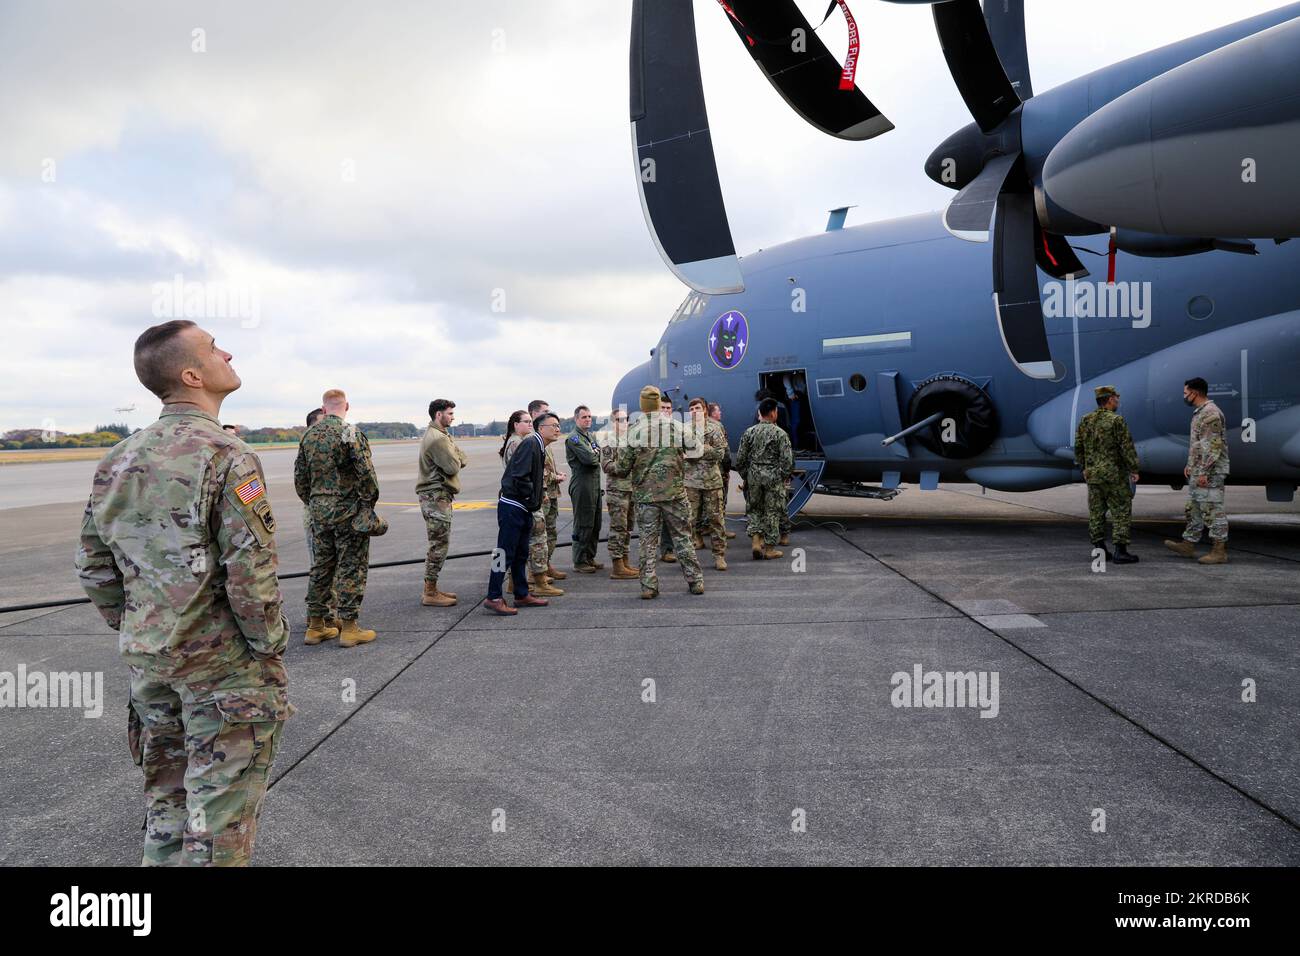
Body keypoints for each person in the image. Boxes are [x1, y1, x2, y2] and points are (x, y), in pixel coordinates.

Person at [75, 319, 290, 866]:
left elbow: (95, 567)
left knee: (168, 806)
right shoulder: (226, 454)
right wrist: (267, 649)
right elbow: (250, 573)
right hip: (223, 672)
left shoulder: (117, 460)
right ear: (193, 374)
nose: (228, 353)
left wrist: (144, 626)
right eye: (216, 348)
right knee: (219, 822)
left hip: (152, 667)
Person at [294, 388, 380, 647]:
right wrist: (367, 506)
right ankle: (350, 627)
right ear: (347, 406)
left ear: (323, 408)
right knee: (351, 566)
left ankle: (316, 625)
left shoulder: (309, 435)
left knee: (321, 567)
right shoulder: (350, 432)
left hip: (319, 511)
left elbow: (300, 478)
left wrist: (315, 501)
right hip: (347, 510)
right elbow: (366, 474)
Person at [610, 386, 704, 599]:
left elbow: (623, 468)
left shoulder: (634, 430)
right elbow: (697, 451)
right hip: (675, 494)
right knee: (683, 538)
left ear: (642, 405)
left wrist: (610, 466)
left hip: (646, 497)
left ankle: (648, 586)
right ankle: (695, 581)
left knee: (647, 542)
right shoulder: (676, 425)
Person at [485, 412, 560, 614]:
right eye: (553, 425)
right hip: (513, 506)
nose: (557, 429)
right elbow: (519, 476)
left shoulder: (538, 445)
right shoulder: (530, 444)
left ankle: (521, 593)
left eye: (558, 425)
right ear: (541, 428)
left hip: (523, 507)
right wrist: (530, 497)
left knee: (520, 554)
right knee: (503, 552)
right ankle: (493, 596)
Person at [1165, 377, 1231, 564]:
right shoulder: (1200, 412)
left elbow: (1212, 446)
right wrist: (1191, 465)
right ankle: (1188, 545)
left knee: (1212, 509)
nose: (1184, 396)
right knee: (1194, 508)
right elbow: (1198, 444)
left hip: (1209, 471)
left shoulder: (1210, 413)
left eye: (1186, 393)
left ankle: (1219, 551)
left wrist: (1204, 472)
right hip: (1198, 469)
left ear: (1195, 392)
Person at [1074, 385, 1140, 563]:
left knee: (1096, 512)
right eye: (1116, 397)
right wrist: (1134, 468)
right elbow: (1126, 447)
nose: (1118, 400)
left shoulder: (1086, 420)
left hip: (1093, 475)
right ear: (1110, 399)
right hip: (1114, 475)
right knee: (1121, 511)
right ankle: (1120, 551)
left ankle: (1099, 549)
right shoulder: (1116, 420)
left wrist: (1084, 468)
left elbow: (1078, 447)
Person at [417, 398, 468, 607]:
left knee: (439, 543)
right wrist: (456, 456)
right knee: (439, 544)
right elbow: (454, 466)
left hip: (438, 495)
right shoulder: (438, 439)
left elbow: (461, 459)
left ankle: (432, 588)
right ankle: (429, 592)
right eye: (450, 413)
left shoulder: (441, 435)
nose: (453, 417)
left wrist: (456, 455)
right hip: (435, 496)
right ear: (438, 414)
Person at [737, 397, 794, 560]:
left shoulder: (749, 432)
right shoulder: (780, 434)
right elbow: (787, 460)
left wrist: (746, 475)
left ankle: (755, 542)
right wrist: (783, 476)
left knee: (754, 509)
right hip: (773, 477)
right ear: (774, 413)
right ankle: (769, 549)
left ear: (759, 413)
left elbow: (740, 458)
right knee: (772, 511)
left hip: (754, 475)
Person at [526, 399, 567, 590]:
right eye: (545, 412)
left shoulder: (542, 442)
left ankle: (544, 567)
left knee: (548, 535)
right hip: (537, 496)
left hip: (548, 492)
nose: (556, 428)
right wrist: (551, 478)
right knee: (536, 537)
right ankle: (535, 575)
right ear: (535, 416)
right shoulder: (530, 442)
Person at [685, 397, 728, 570]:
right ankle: (689, 558)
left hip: (711, 480)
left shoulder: (715, 428)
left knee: (716, 520)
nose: (695, 411)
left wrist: (698, 449)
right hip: (691, 482)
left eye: (698, 408)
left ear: (704, 410)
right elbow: (681, 453)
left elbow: (720, 453)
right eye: (692, 409)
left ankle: (719, 556)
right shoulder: (685, 430)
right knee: (689, 521)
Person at [601, 406, 640, 579]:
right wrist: (624, 467)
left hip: (632, 490)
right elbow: (606, 465)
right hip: (617, 490)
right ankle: (617, 566)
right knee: (618, 528)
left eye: (625, 419)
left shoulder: (632, 441)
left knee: (628, 528)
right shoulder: (609, 441)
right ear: (613, 423)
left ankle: (625, 561)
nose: (623, 423)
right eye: (619, 420)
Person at [566, 405, 604, 572]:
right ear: (576, 419)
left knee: (595, 523)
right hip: (582, 485)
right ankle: (579, 560)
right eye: (584, 417)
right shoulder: (574, 438)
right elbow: (590, 459)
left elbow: (598, 455)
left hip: (594, 485)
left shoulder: (589, 436)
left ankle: (590, 556)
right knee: (583, 523)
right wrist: (595, 455)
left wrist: (595, 455)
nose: (588, 419)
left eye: (589, 416)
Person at [709, 402, 737, 540]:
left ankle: (703, 529)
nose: (720, 413)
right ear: (712, 413)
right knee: (720, 501)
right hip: (718, 471)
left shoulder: (702, 426)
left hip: (705, 473)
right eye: (718, 411)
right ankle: (721, 531)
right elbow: (725, 452)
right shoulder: (718, 427)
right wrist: (727, 470)